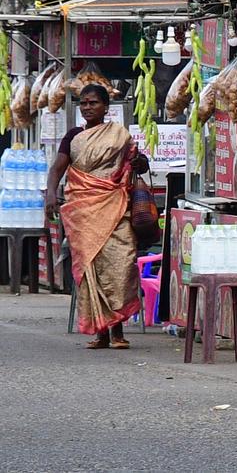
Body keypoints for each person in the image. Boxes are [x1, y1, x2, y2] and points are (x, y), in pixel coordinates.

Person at [44, 84, 149, 349]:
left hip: (115, 207)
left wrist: (140, 163)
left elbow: (140, 162)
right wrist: (50, 194)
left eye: (93, 103)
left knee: (121, 265)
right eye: (84, 103)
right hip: (83, 211)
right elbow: (58, 168)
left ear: (106, 107)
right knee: (90, 269)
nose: (88, 107)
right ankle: (101, 332)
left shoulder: (119, 136)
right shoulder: (74, 136)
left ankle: (118, 330)